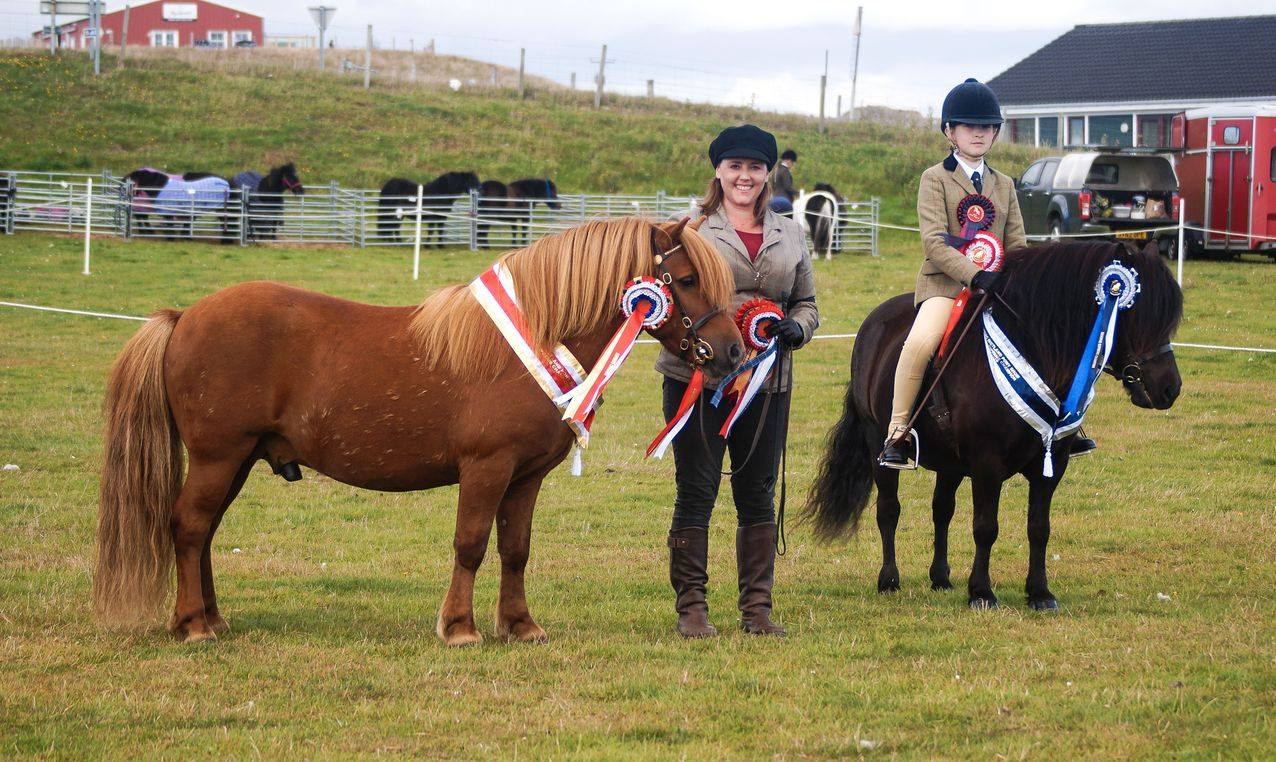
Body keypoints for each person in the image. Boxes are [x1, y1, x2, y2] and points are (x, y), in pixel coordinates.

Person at [879, 78, 1094, 469]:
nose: (978, 134)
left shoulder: (1004, 184)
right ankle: (898, 433)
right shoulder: (935, 179)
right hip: (945, 286)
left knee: (1049, 336)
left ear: (995, 133)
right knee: (920, 343)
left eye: (986, 127)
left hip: (1000, 288)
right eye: (969, 126)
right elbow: (934, 243)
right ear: (950, 131)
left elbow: (1016, 244)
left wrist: (1020, 282)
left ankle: (1064, 425)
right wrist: (975, 275)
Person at [657, 125, 819, 638]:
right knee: (697, 490)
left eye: (754, 167)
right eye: (735, 166)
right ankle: (692, 609)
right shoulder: (693, 232)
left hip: (767, 383)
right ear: (718, 172)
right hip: (699, 381)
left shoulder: (790, 233)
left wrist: (799, 327)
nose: (744, 176)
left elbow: (807, 302)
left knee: (758, 492)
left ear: (767, 173)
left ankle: (757, 610)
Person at [769, 149, 798, 216]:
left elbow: (772, 186)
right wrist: (799, 192)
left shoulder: (776, 170)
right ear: (789, 161)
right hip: (784, 201)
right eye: (793, 163)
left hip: (774, 199)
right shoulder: (785, 171)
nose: (792, 165)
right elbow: (787, 187)